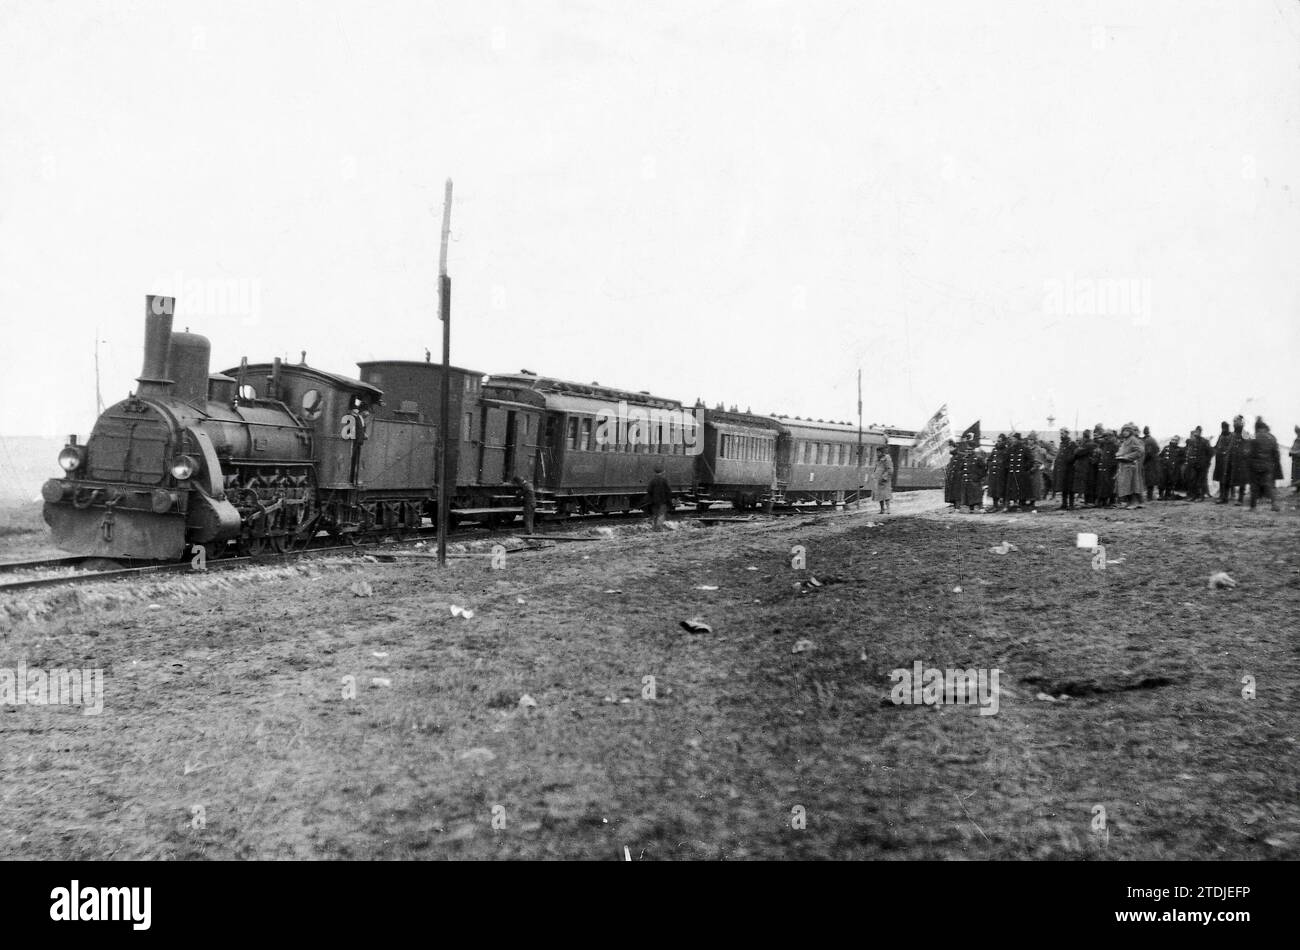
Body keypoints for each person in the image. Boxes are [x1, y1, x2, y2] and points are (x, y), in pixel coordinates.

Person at [1248, 417, 1282, 512]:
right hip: (1267, 466)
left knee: (1254, 486)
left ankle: (1253, 507)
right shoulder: (1271, 438)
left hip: (1255, 466)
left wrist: (1249, 464)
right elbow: (1276, 453)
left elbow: (1249, 452)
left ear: (1258, 428)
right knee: (1269, 485)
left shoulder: (1254, 437)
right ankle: (1274, 504)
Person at [1217, 415, 1250, 505]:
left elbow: (1249, 446)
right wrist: (1226, 453)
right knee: (1226, 478)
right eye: (1234, 421)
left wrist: (1244, 454)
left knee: (1241, 480)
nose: (1234, 423)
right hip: (1230, 459)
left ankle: (1240, 499)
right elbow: (1228, 446)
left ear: (1241, 422)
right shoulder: (1232, 434)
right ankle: (1224, 498)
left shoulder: (1245, 434)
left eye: (1236, 421)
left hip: (1240, 461)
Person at [1115, 423, 1145, 508]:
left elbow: (1140, 451)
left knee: (1132, 484)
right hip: (1124, 465)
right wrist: (1118, 455)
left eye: (1127, 430)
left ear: (1131, 431)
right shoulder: (1125, 441)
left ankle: (1134, 502)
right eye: (1124, 430)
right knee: (1126, 484)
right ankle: (1131, 502)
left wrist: (1127, 457)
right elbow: (1122, 451)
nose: (1125, 432)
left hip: (1130, 465)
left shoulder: (1133, 439)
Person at [956, 432, 986, 512]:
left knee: (977, 495)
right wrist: (962, 475)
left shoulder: (977, 458)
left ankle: (980, 507)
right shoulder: (965, 459)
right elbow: (961, 468)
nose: (968, 451)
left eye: (970, 450)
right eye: (967, 450)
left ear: (973, 450)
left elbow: (984, 468)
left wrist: (979, 476)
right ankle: (970, 508)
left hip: (975, 480)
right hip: (966, 480)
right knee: (968, 495)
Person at [1005, 432, 1035, 512]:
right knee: (1013, 489)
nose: (1013, 441)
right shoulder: (1010, 449)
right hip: (1012, 473)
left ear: (1018, 440)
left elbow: (1031, 460)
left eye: (1014, 439)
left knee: (1021, 490)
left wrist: (1024, 468)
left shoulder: (1024, 449)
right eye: (1012, 439)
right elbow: (1006, 460)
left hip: (1021, 474)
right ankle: (1013, 504)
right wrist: (1008, 467)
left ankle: (1022, 504)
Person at [1183, 426, 1212, 501]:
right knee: (1193, 480)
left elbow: (1210, 453)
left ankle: (1201, 496)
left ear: (1201, 432)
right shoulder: (1192, 441)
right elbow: (1190, 451)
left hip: (1202, 465)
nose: (1197, 433)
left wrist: (1206, 462)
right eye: (1196, 431)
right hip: (1194, 464)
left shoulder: (1205, 441)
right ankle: (1194, 496)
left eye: (1198, 431)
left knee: (1201, 481)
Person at [1052, 428, 1076, 510]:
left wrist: (1068, 460)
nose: (1061, 435)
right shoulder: (1062, 444)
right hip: (1062, 468)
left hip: (1069, 468)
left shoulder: (1071, 443)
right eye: (1060, 433)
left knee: (1070, 487)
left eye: (1062, 433)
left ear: (1067, 434)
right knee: (1063, 487)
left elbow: (1074, 455)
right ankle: (1064, 503)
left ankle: (1071, 504)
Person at [1096, 429, 1119, 508]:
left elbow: (1116, 458)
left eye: (1107, 436)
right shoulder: (1104, 445)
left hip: (1110, 469)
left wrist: (1112, 466)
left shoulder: (1114, 446)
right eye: (1105, 436)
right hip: (1103, 467)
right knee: (1102, 484)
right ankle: (1102, 500)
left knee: (1109, 485)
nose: (1106, 438)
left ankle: (1111, 501)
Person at [986, 434, 1008, 512]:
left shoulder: (1006, 450)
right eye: (997, 441)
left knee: (1003, 490)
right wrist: (990, 465)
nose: (998, 443)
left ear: (1004, 442)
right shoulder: (994, 450)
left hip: (1002, 474)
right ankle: (995, 506)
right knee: (993, 490)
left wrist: (1002, 465)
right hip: (993, 473)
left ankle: (1005, 506)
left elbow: (1008, 462)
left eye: (1000, 441)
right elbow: (989, 459)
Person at [1158, 436, 1184, 500]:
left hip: (1173, 469)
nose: (1173, 441)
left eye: (1175, 440)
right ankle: (1160, 495)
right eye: (1173, 440)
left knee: (1171, 482)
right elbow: (1160, 456)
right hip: (1164, 468)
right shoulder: (1166, 448)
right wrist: (1162, 461)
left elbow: (1182, 459)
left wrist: (1176, 463)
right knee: (1162, 482)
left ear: (1178, 442)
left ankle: (1167, 495)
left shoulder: (1179, 449)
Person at [1142, 426, 1161, 502]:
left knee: (1149, 480)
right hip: (1152, 462)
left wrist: (1143, 461)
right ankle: (1149, 496)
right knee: (1150, 480)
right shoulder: (1150, 439)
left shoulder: (1148, 440)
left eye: (1146, 431)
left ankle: (1149, 496)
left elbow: (1148, 453)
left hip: (1149, 462)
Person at [874, 449, 894, 514]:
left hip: (885, 480)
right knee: (880, 495)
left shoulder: (887, 459)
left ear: (882, 453)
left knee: (886, 495)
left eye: (879, 452)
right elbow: (876, 468)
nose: (877, 454)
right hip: (878, 479)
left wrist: (885, 477)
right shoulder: (878, 459)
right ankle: (882, 509)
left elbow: (890, 469)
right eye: (877, 452)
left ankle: (888, 509)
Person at [1291, 425, 1300, 495]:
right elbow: (1294, 447)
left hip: (1298, 459)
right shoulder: (1296, 439)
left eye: (1297, 431)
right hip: (1296, 459)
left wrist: (1294, 452)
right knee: (1296, 474)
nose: (1296, 433)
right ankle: (1297, 489)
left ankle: (1298, 489)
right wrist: (1291, 451)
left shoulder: (1298, 439)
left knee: (1298, 474)